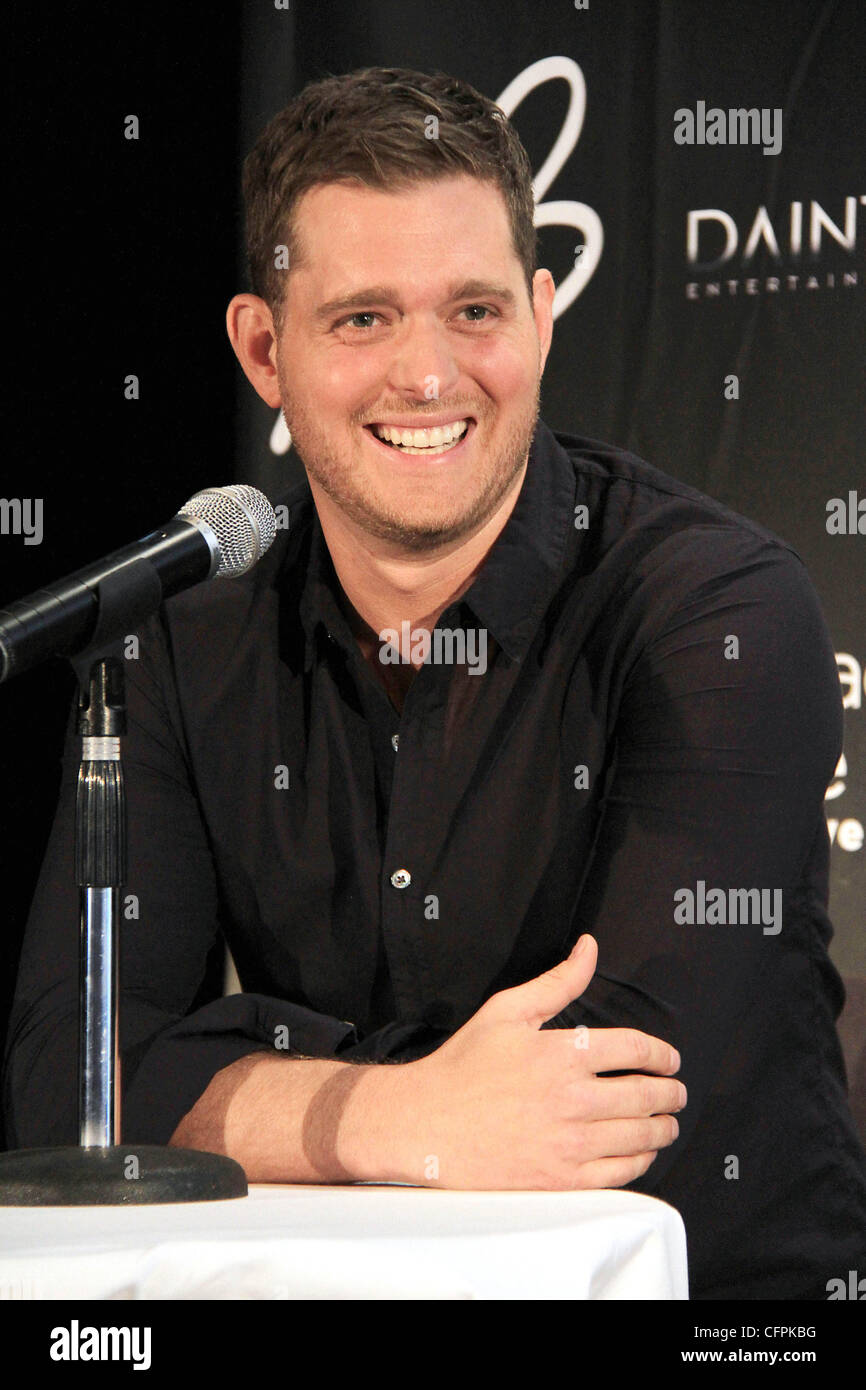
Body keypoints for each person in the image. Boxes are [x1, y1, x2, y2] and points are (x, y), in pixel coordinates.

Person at [4, 67, 865, 1301]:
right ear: (262, 347)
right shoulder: (178, 642)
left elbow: (600, 1093)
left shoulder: (717, 611)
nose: (427, 375)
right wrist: (395, 1111)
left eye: (472, 310)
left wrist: (244, 1078)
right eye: (362, 319)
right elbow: (74, 1085)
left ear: (541, 315)